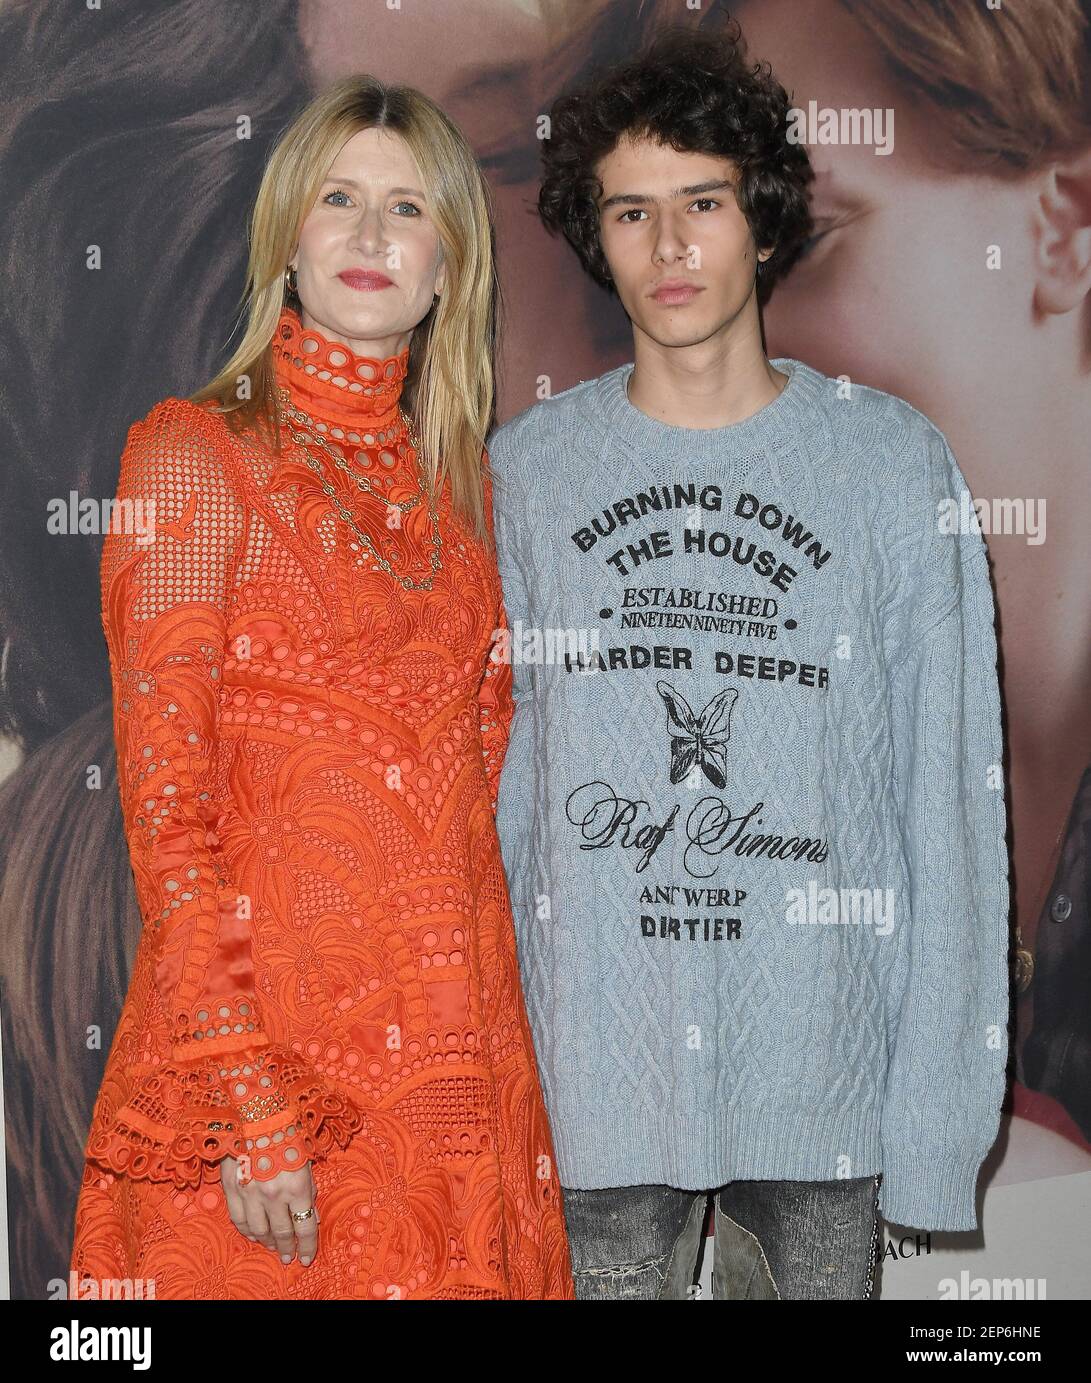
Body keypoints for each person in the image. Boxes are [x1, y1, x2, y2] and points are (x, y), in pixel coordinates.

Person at [486, 23, 1010, 1299]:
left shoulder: (892, 469)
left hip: (820, 1076)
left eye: (702, 203)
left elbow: (947, 803)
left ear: (763, 220)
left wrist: (933, 1132)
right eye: (629, 212)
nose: (668, 247)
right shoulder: (521, 479)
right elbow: (482, 801)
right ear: (593, 238)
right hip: (588, 1091)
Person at [69, 73, 573, 1301]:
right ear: (286, 237)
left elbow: (467, 830)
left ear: (449, 268)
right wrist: (250, 1107)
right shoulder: (191, 454)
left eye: (406, 209)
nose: (365, 231)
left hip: (457, 1111)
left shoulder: (467, 509)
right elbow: (169, 814)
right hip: (264, 1113)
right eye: (337, 197)